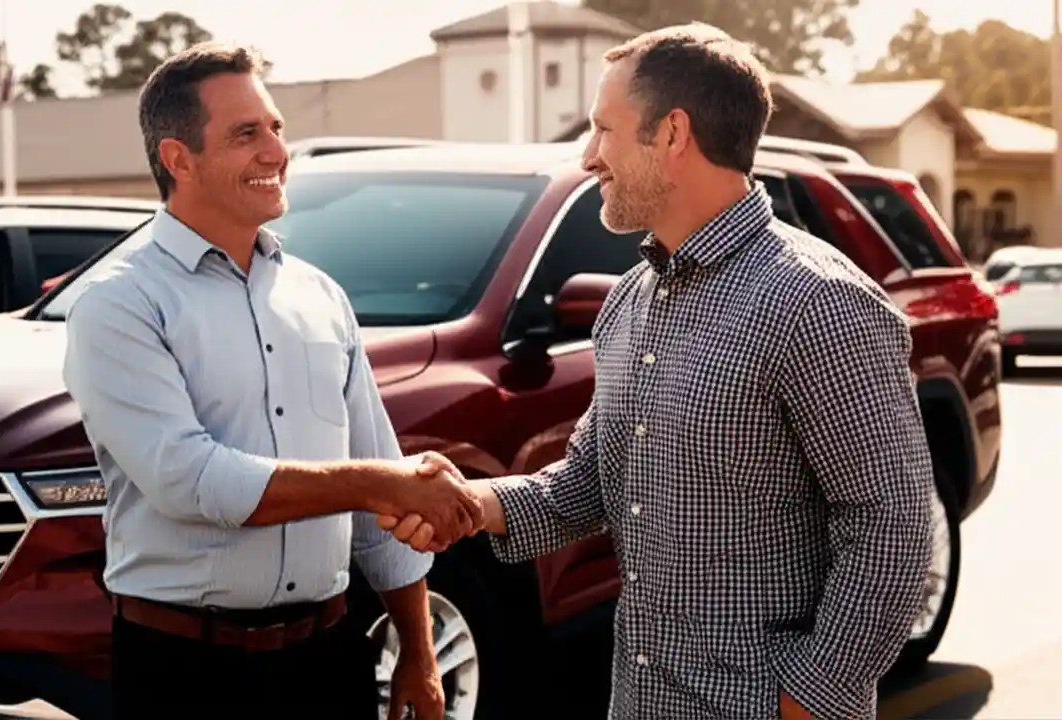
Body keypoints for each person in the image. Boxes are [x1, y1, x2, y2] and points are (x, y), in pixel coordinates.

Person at [384, 23, 934, 720]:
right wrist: (469, 505)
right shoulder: (630, 302)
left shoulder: (818, 301)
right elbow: (589, 484)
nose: (588, 157)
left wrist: (812, 697)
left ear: (672, 134)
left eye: (603, 130)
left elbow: (894, 523)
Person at [62, 42, 481, 720]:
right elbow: (188, 479)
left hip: (328, 661)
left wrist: (418, 648)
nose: (276, 151)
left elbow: (379, 486)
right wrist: (379, 482)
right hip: (186, 674)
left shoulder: (320, 296)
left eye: (277, 128)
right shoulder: (120, 302)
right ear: (178, 159)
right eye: (246, 133)